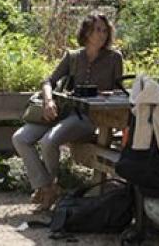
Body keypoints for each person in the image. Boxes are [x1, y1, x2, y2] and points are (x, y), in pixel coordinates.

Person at [12, 12, 123, 211]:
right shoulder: (73, 57)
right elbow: (48, 81)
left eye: (105, 31)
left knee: (49, 140)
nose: (102, 34)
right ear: (87, 32)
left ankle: (49, 185)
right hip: (61, 111)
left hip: (88, 118)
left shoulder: (114, 58)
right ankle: (47, 186)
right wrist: (48, 101)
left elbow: (118, 91)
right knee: (20, 138)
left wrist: (104, 95)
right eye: (97, 30)